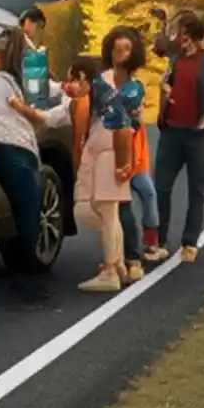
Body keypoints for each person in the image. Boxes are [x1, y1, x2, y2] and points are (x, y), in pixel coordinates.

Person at [0, 28, 73, 277]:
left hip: (20, 146)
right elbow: (32, 112)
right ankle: (27, 264)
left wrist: (62, 88)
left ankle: (26, 260)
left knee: (28, 204)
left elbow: (41, 90)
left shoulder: (8, 80)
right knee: (28, 205)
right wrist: (61, 108)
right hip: (11, 146)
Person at [143, 11, 204, 264]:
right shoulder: (176, 59)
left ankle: (190, 243)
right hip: (171, 131)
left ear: (197, 38)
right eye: (180, 36)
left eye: (185, 36)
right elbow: (160, 48)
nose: (182, 40)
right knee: (160, 187)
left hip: (198, 134)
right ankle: (159, 241)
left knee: (195, 188)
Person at [66, 55, 133, 293]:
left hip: (108, 156)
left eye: (72, 80)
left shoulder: (104, 95)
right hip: (111, 154)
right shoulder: (101, 94)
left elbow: (121, 127)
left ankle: (110, 270)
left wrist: (123, 163)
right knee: (109, 214)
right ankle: (118, 264)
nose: (71, 86)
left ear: (83, 77)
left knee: (105, 213)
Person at [101, 26, 158, 283]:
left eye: (127, 49)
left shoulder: (135, 87)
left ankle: (136, 256)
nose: (122, 54)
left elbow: (130, 117)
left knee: (141, 198)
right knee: (117, 210)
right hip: (108, 152)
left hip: (134, 154)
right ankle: (116, 260)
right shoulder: (102, 83)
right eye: (117, 50)